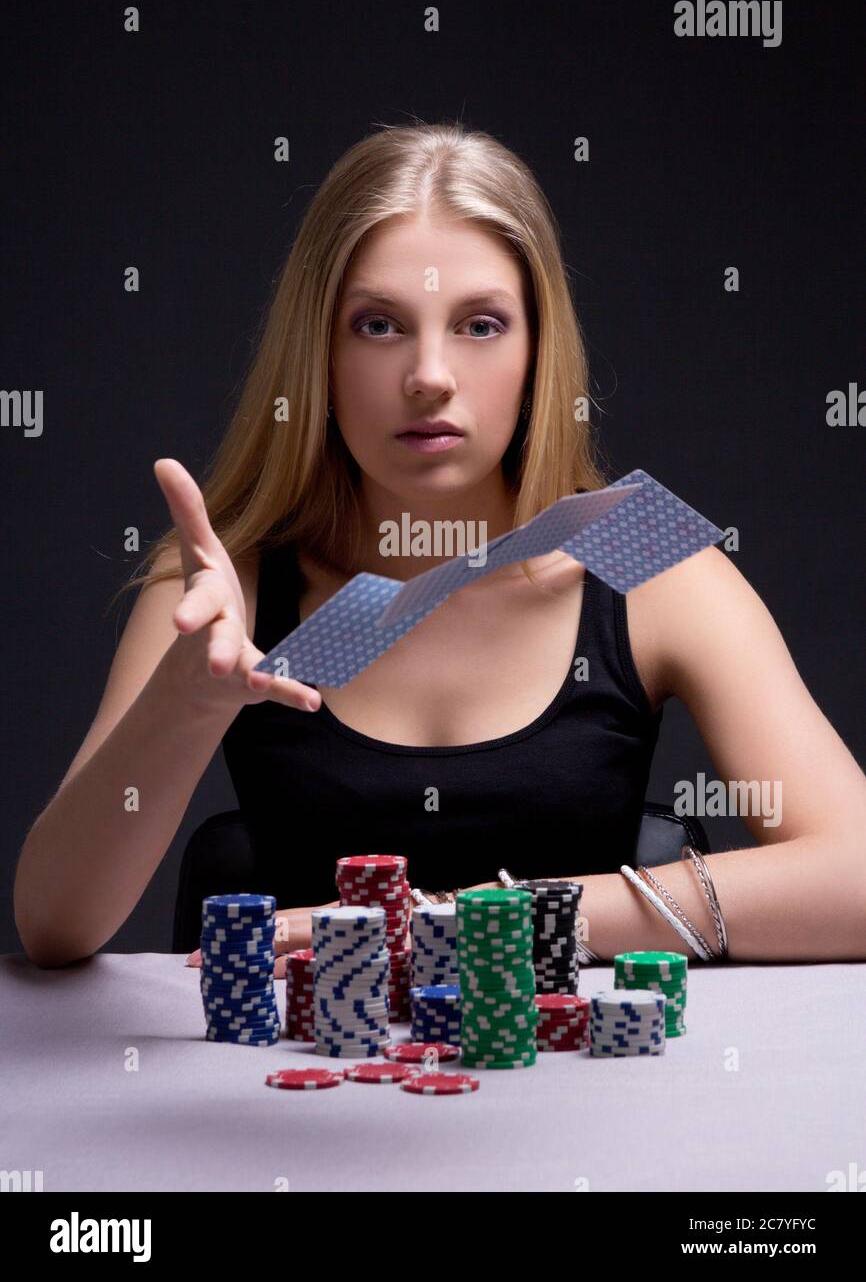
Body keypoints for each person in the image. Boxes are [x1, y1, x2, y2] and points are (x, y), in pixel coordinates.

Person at [14, 121, 866, 973]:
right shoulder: (220, 585)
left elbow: (854, 877)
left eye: (482, 325)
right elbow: (54, 926)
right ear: (319, 351)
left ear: (539, 351)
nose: (429, 374)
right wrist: (186, 704)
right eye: (379, 325)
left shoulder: (642, 554)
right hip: (293, 1093)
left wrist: (457, 926)